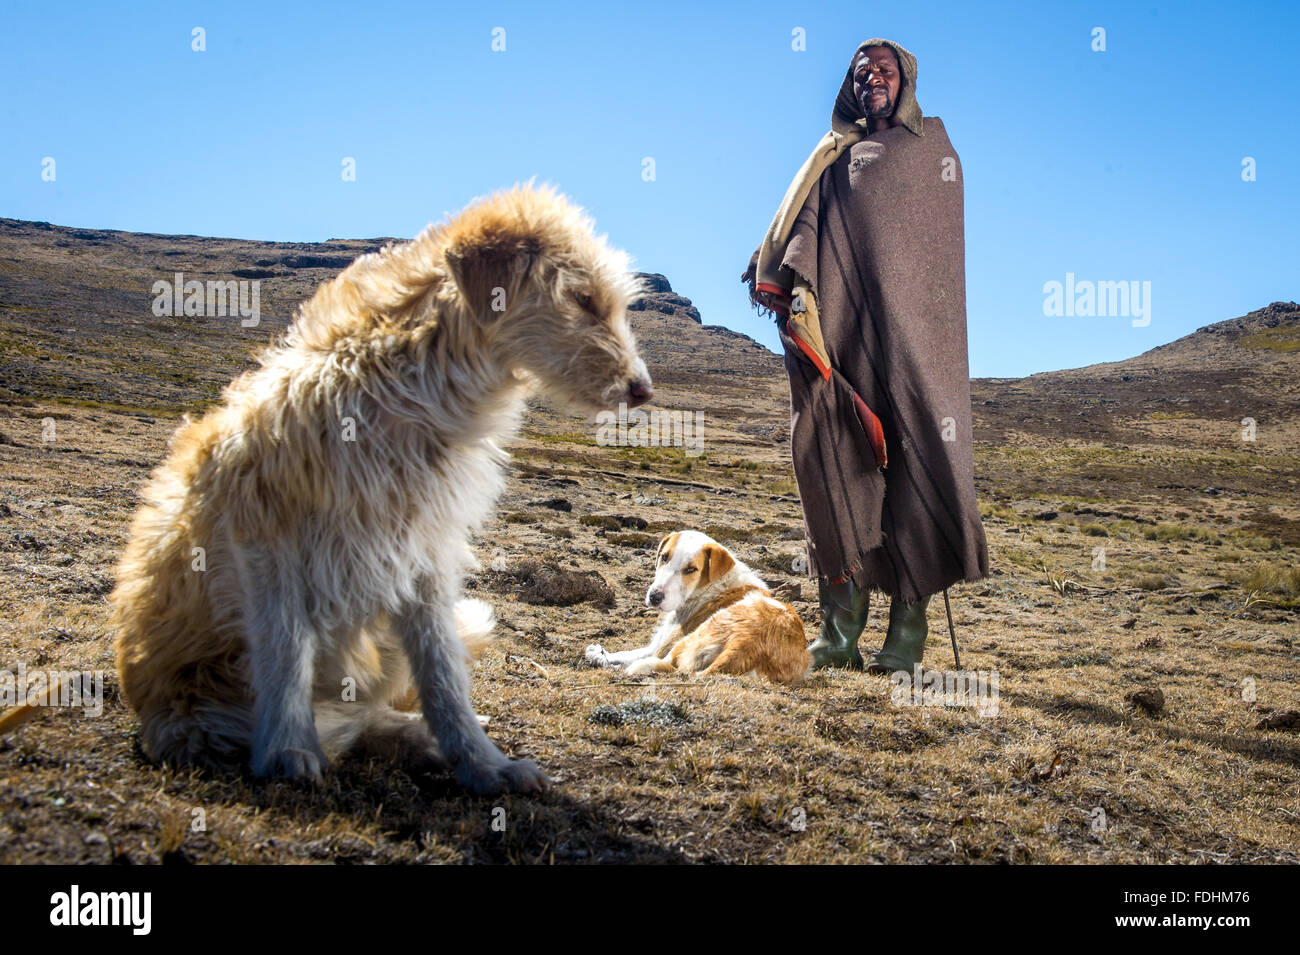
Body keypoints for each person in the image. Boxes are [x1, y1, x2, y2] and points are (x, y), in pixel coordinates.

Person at [744, 38, 989, 673]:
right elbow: (806, 234)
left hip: (918, 344)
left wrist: (917, 325)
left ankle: (908, 634)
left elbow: (936, 259)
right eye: (861, 72)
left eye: (883, 69)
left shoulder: (933, 149)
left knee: (917, 463)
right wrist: (799, 298)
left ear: (905, 78)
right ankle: (840, 628)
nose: (871, 78)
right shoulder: (832, 157)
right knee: (830, 454)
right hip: (842, 336)